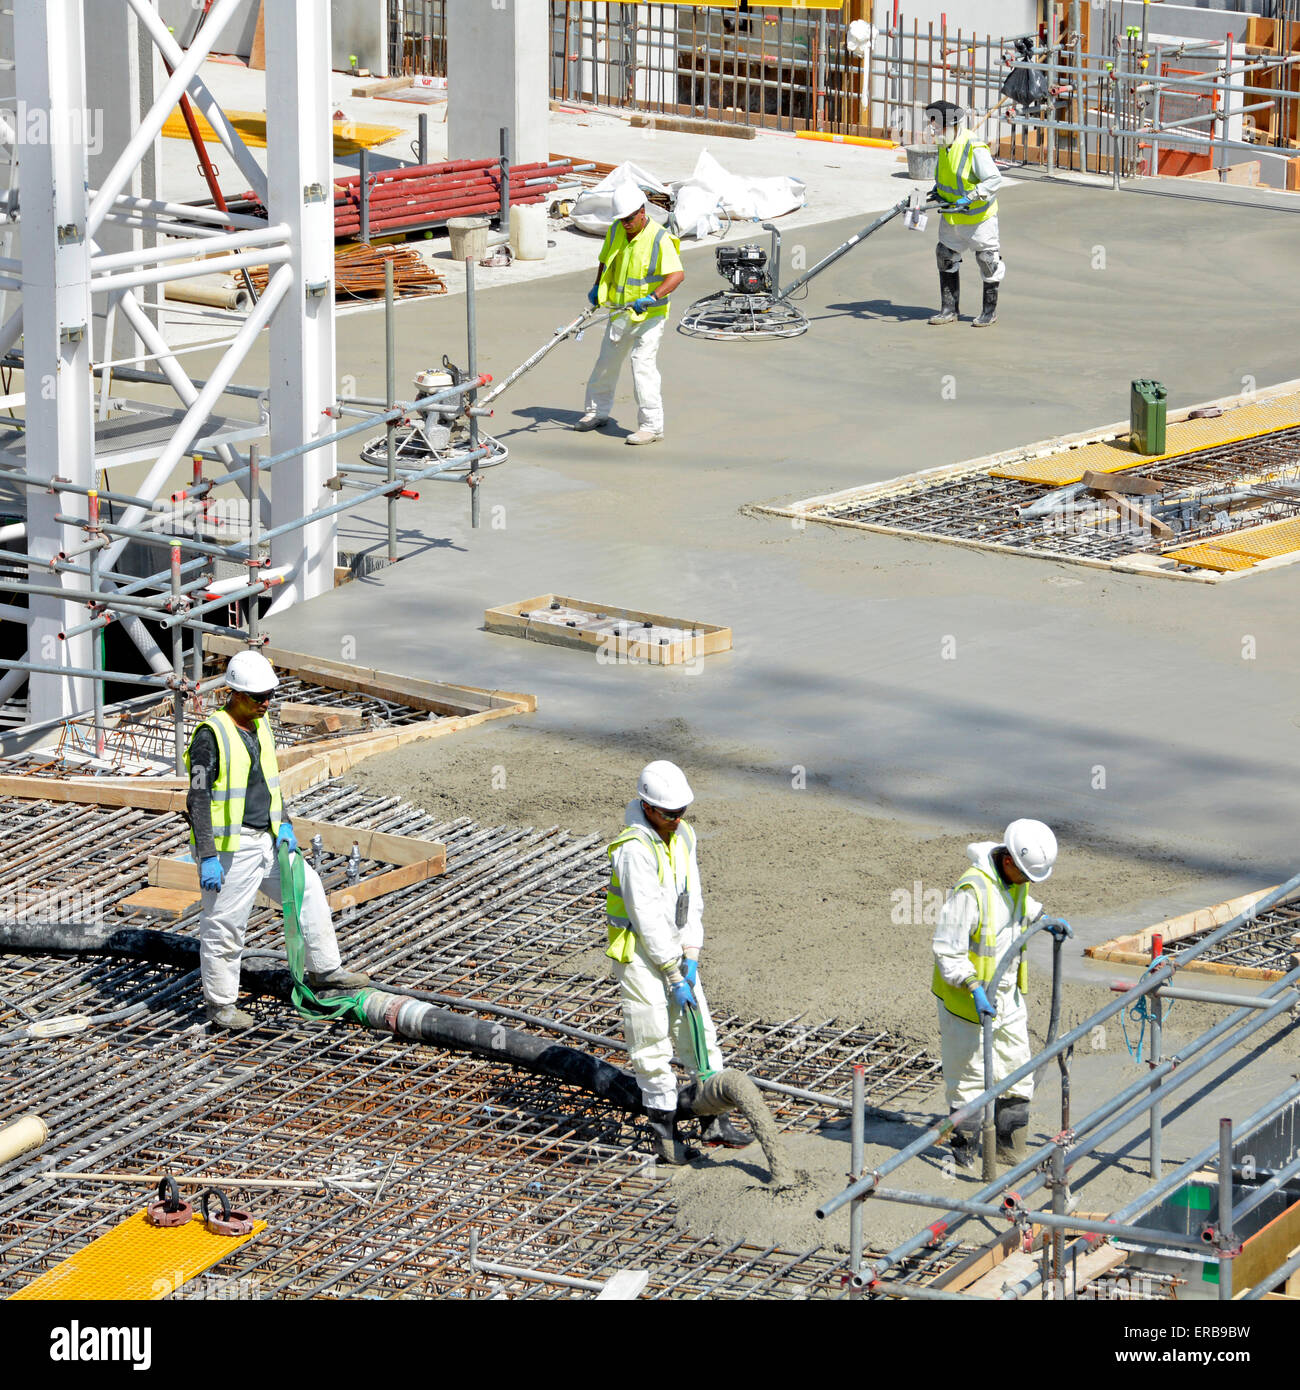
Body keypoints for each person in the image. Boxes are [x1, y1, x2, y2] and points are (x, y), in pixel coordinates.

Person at [185, 651, 370, 1029]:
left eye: (270, 695)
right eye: (258, 697)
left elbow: (269, 782)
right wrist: (206, 855)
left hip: (267, 838)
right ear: (234, 694)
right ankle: (220, 1006)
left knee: (310, 891)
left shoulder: (260, 723)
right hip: (228, 850)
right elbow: (198, 797)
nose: (266, 703)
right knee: (225, 924)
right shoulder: (211, 736)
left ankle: (324, 970)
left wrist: (283, 823)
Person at [605, 761, 749, 1163]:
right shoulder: (633, 849)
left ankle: (714, 1122)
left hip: (676, 951)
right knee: (651, 1040)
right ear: (647, 807)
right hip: (640, 955)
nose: (677, 819)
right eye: (669, 813)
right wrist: (670, 970)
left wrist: (691, 956)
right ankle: (665, 1138)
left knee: (699, 1030)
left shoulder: (683, 835)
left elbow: (692, 899)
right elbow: (647, 917)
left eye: (682, 811)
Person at [931, 819, 1058, 1167]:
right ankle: (966, 1151)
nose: (1029, 884)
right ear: (1008, 862)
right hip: (967, 1003)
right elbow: (946, 950)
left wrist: (1046, 919)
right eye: (1027, 876)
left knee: (1017, 1069)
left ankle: (1008, 1150)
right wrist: (973, 988)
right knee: (969, 1077)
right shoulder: (970, 892)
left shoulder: (1015, 880)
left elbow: (1017, 906)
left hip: (1006, 995)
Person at [574, 184, 685, 446]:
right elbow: (606, 258)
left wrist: (651, 298)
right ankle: (596, 412)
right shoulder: (616, 230)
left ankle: (651, 426)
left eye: (629, 219)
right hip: (620, 310)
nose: (625, 224)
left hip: (649, 316)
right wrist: (597, 285)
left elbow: (677, 275)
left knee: (642, 367)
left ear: (642, 212)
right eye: (621, 220)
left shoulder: (660, 239)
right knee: (606, 363)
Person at [924, 98, 1005, 327]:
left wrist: (971, 196)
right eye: (932, 126)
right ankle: (949, 309)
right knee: (945, 256)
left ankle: (989, 312)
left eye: (937, 127)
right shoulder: (944, 143)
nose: (934, 131)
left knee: (987, 261)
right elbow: (947, 175)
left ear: (952, 125)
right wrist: (936, 191)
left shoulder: (973, 146)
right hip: (952, 216)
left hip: (979, 219)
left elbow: (994, 179)